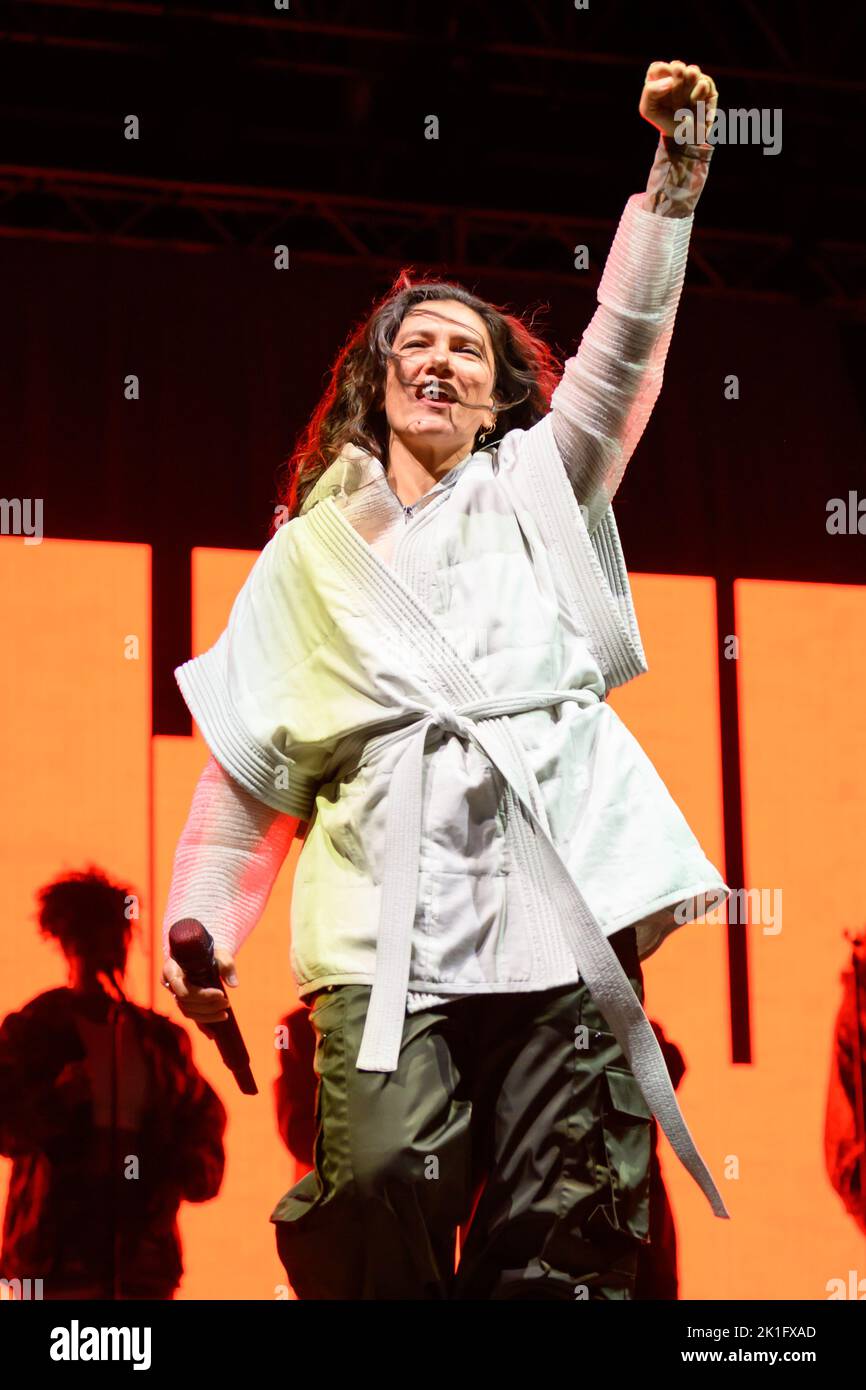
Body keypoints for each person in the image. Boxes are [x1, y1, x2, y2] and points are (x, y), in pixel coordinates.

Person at [163, 59, 731, 1299]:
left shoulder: (543, 482)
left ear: (492, 393)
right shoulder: (305, 559)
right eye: (411, 344)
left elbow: (625, 349)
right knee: (375, 1189)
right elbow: (246, 777)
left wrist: (674, 179)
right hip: (384, 934)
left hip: (557, 912)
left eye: (464, 349)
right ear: (374, 383)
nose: (437, 360)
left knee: (562, 1222)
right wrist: (198, 928)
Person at [0, 866, 226, 1299]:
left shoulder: (158, 1041)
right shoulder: (34, 1031)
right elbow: (7, 1124)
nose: (97, 949)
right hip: (54, 1255)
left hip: (140, 1255)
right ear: (65, 941)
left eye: (107, 934)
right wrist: (55, 1102)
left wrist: (176, 1173)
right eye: (84, 937)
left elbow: (201, 1117)